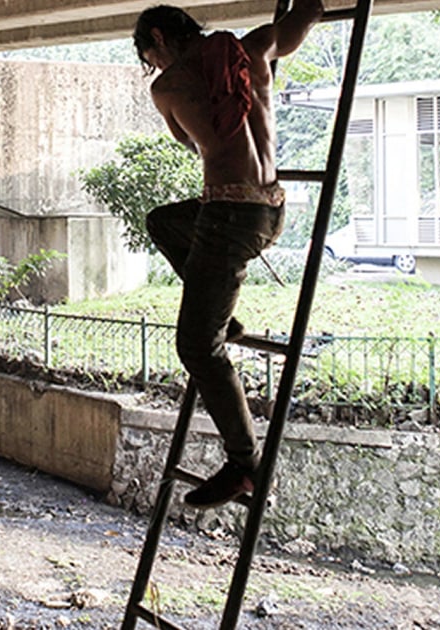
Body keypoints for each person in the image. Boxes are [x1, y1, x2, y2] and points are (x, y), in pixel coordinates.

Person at [133, 1, 323, 509]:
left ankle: (245, 465)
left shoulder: (167, 87)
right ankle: (227, 320)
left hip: (227, 219)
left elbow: (187, 139)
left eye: (150, 56)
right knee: (163, 220)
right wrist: (313, 5)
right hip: (270, 209)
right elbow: (298, 22)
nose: (154, 67)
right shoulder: (251, 48)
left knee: (197, 348)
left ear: (158, 37)